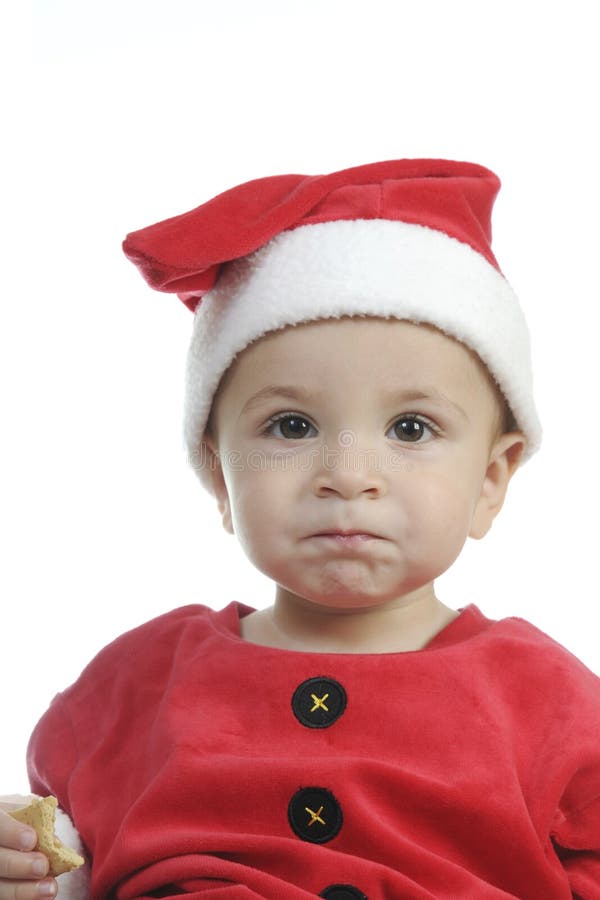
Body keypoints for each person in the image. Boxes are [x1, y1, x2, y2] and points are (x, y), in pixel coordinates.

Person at [1, 160, 599, 900]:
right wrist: (35, 870)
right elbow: (72, 853)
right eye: (292, 425)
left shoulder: (553, 705)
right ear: (220, 476)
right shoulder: (136, 688)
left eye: (411, 428)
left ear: (490, 480)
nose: (348, 474)